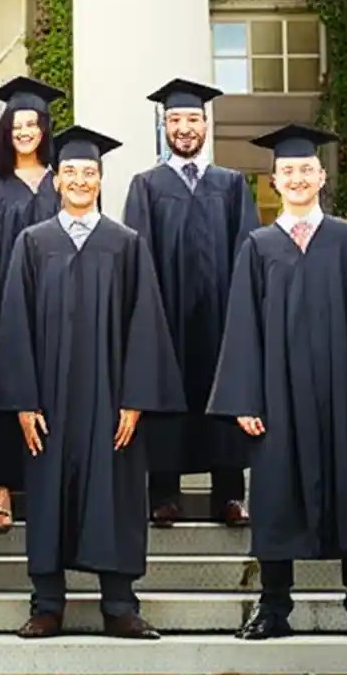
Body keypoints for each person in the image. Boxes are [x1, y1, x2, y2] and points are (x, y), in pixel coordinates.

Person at [207, 124, 347, 642]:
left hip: (342, 399)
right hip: (276, 399)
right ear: (274, 181)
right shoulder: (258, 246)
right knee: (275, 498)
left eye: (306, 170)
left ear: (321, 176)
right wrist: (244, 398)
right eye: (287, 171)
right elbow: (243, 325)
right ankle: (274, 608)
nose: (297, 178)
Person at [0, 125, 186, 640]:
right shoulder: (33, 244)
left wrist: (135, 401)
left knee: (116, 494)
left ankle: (119, 605)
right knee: (49, 493)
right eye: (72, 172)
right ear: (57, 180)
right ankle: (47, 604)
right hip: (49, 403)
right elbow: (16, 325)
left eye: (91, 172)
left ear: (102, 179)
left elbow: (146, 321)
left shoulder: (125, 244)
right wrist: (23, 401)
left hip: (111, 401)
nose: (81, 180)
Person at [122, 78, 260, 528]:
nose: (184, 128)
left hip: (223, 315)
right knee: (164, 397)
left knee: (226, 397)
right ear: (163, 125)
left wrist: (245, 313)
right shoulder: (146, 185)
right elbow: (138, 253)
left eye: (193, 119)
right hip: (166, 315)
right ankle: (164, 494)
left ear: (206, 124)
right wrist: (146, 315)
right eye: (175, 119)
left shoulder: (232, 184)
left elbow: (247, 251)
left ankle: (229, 497)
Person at [0, 76, 64, 533]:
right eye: (16, 124)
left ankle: (46, 486)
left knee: (53, 397)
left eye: (32, 123)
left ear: (45, 129)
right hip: (3, 315)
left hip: (58, 316)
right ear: (5, 131)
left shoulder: (65, 183)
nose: (24, 132)